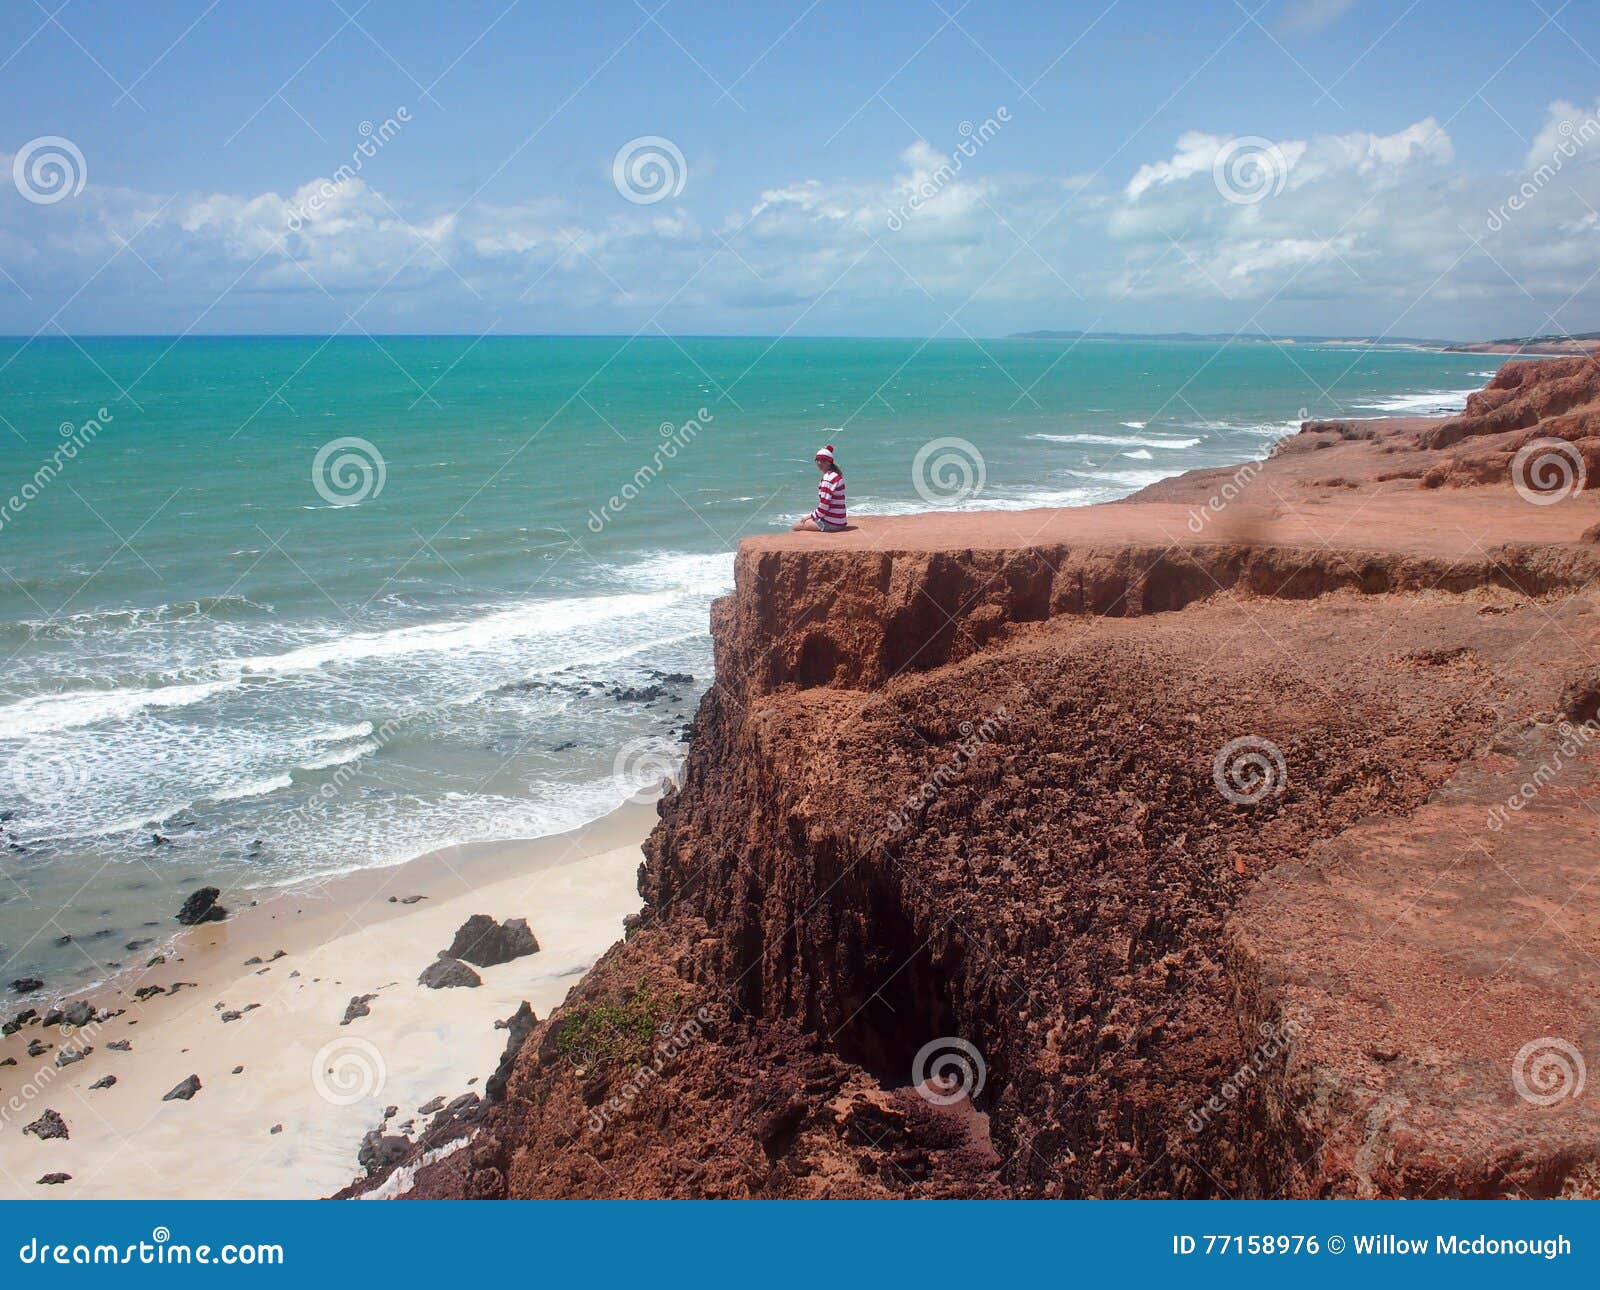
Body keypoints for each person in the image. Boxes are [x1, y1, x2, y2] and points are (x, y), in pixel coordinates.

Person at [792, 444, 846, 532]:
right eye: (818, 460)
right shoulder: (836, 476)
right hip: (840, 522)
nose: (820, 463)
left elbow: (824, 506)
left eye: (823, 461)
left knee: (795, 526)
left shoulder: (828, 479)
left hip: (831, 524)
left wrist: (809, 516)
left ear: (829, 462)